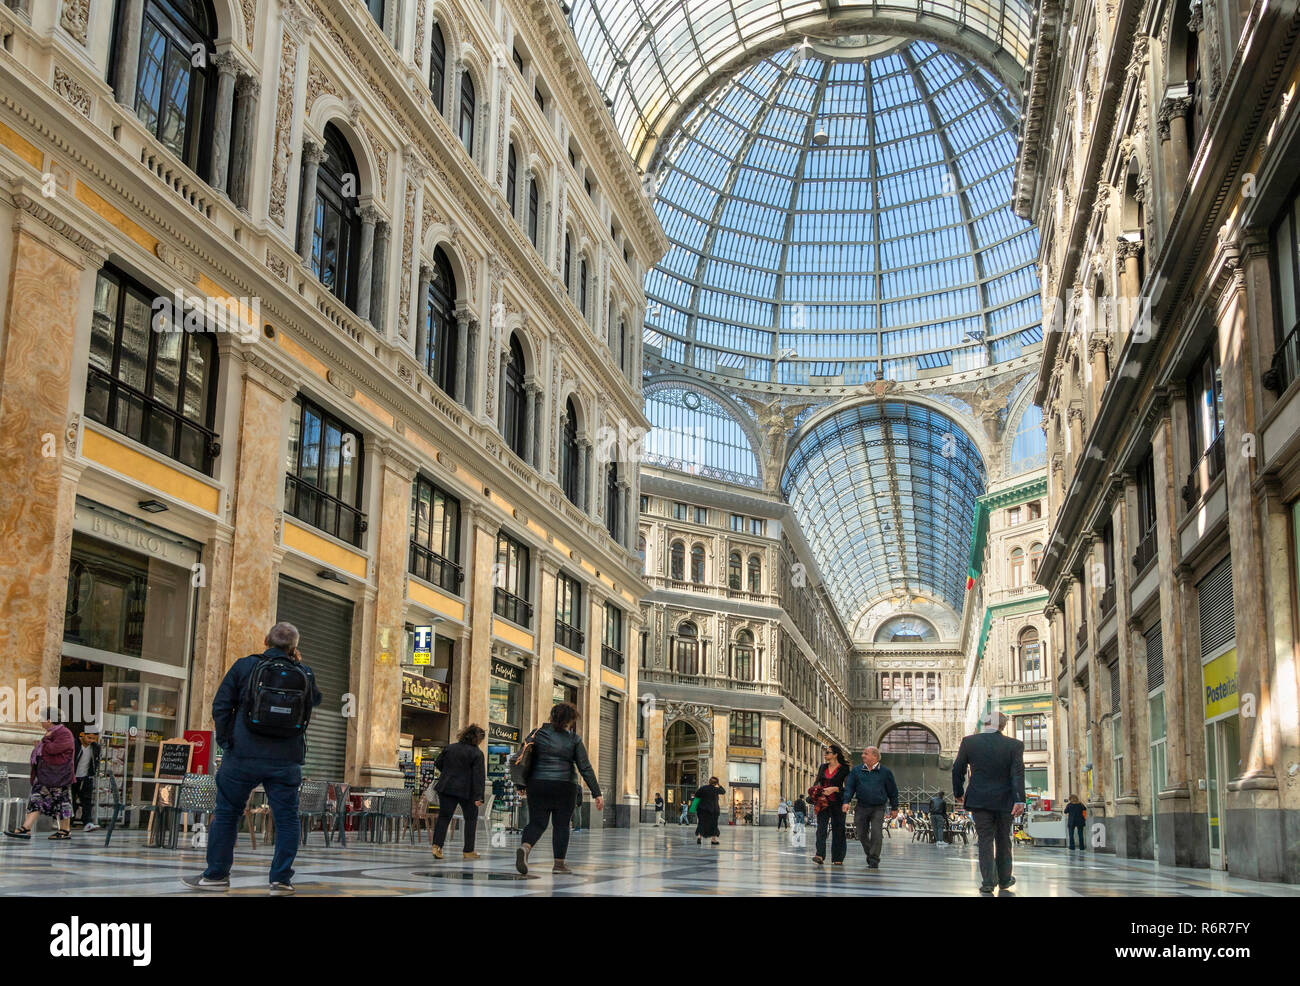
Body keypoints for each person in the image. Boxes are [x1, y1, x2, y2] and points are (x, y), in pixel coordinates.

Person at [183, 622, 322, 895]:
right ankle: (281, 880)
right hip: (286, 759)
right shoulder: (304, 672)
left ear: (266, 640)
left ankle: (216, 876)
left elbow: (221, 706)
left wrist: (227, 742)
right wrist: (298, 668)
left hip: (242, 756)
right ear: (294, 647)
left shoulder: (244, 666)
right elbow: (314, 701)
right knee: (287, 818)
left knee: (226, 814)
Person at [516, 702, 603, 875]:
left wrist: (521, 784)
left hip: (538, 784)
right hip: (565, 786)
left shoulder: (536, 734)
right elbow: (585, 767)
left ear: (551, 717)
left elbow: (522, 758)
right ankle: (559, 865)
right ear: (569, 721)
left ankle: (525, 848)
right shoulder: (574, 739)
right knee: (561, 825)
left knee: (537, 822)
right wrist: (596, 793)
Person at [953, 710, 1026, 895]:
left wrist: (958, 792)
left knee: (985, 840)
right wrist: (1020, 800)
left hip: (979, 799)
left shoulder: (970, 742)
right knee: (1003, 839)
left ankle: (987, 882)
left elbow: (957, 769)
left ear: (984, 723)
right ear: (1002, 725)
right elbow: (1017, 774)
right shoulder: (1014, 745)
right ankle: (1004, 879)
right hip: (1005, 800)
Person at [5, 710, 76, 841]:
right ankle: (26, 828)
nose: (41, 721)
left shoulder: (64, 733)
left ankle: (65, 830)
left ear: (49, 720)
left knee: (62, 802)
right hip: (46, 776)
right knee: (36, 799)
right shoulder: (52, 733)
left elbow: (54, 749)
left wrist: (42, 743)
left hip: (59, 776)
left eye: (42, 718)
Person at [431, 724, 486, 860]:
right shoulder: (477, 753)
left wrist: (449, 772)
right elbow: (479, 777)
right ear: (477, 739)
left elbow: (438, 763)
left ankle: (437, 847)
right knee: (471, 819)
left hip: (447, 788)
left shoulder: (450, 747)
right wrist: (479, 796)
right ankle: (468, 851)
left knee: (444, 817)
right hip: (467, 791)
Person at [840, 746, 899, 869]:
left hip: (878, 807)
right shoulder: (856, 771)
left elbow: (893, 791)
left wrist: (894, 807)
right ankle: (870, 853)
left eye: (865, 753)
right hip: (861, 806)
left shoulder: (885, 772)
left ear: (875, 756)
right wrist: (846, 801)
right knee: (861, 833)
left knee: (877, 832)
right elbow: (850, 787)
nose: (862, 755)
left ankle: (873, 859)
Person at [810, 744, 850, 865]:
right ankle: (820, 855)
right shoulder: (823, 767)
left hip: (838, 803)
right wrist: (815, 791)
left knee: (838, 829)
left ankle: (838, 857)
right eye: (825, 752)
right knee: (821, 829)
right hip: (823, 802)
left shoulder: (844, 769)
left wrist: (835, 789)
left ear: (835, 754)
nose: (825, 754)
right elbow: (817, 782)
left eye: (828, 752)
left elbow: (848, 788)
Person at [71, 732, 101, 831]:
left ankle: (87, 823)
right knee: (71, 800)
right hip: (72, 777)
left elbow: (95, 761)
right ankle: (68, 822)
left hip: (86, 778)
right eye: (89, 737)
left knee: (87, 801)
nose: (90, 740)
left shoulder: (95, 747)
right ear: (83, 735)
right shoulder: (74, 744)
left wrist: (92, 773)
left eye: (93, 739)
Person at [692, 776, 726, 845]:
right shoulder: (716, 789)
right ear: (716, 783)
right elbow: (723, 791)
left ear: (709, 782)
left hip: (702, 810)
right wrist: (719, 785)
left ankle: (699, 837)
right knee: (713, 824)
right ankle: (713, 840)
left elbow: (696, 796)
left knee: (701, 823)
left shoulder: (703, 788)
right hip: (713, 810)